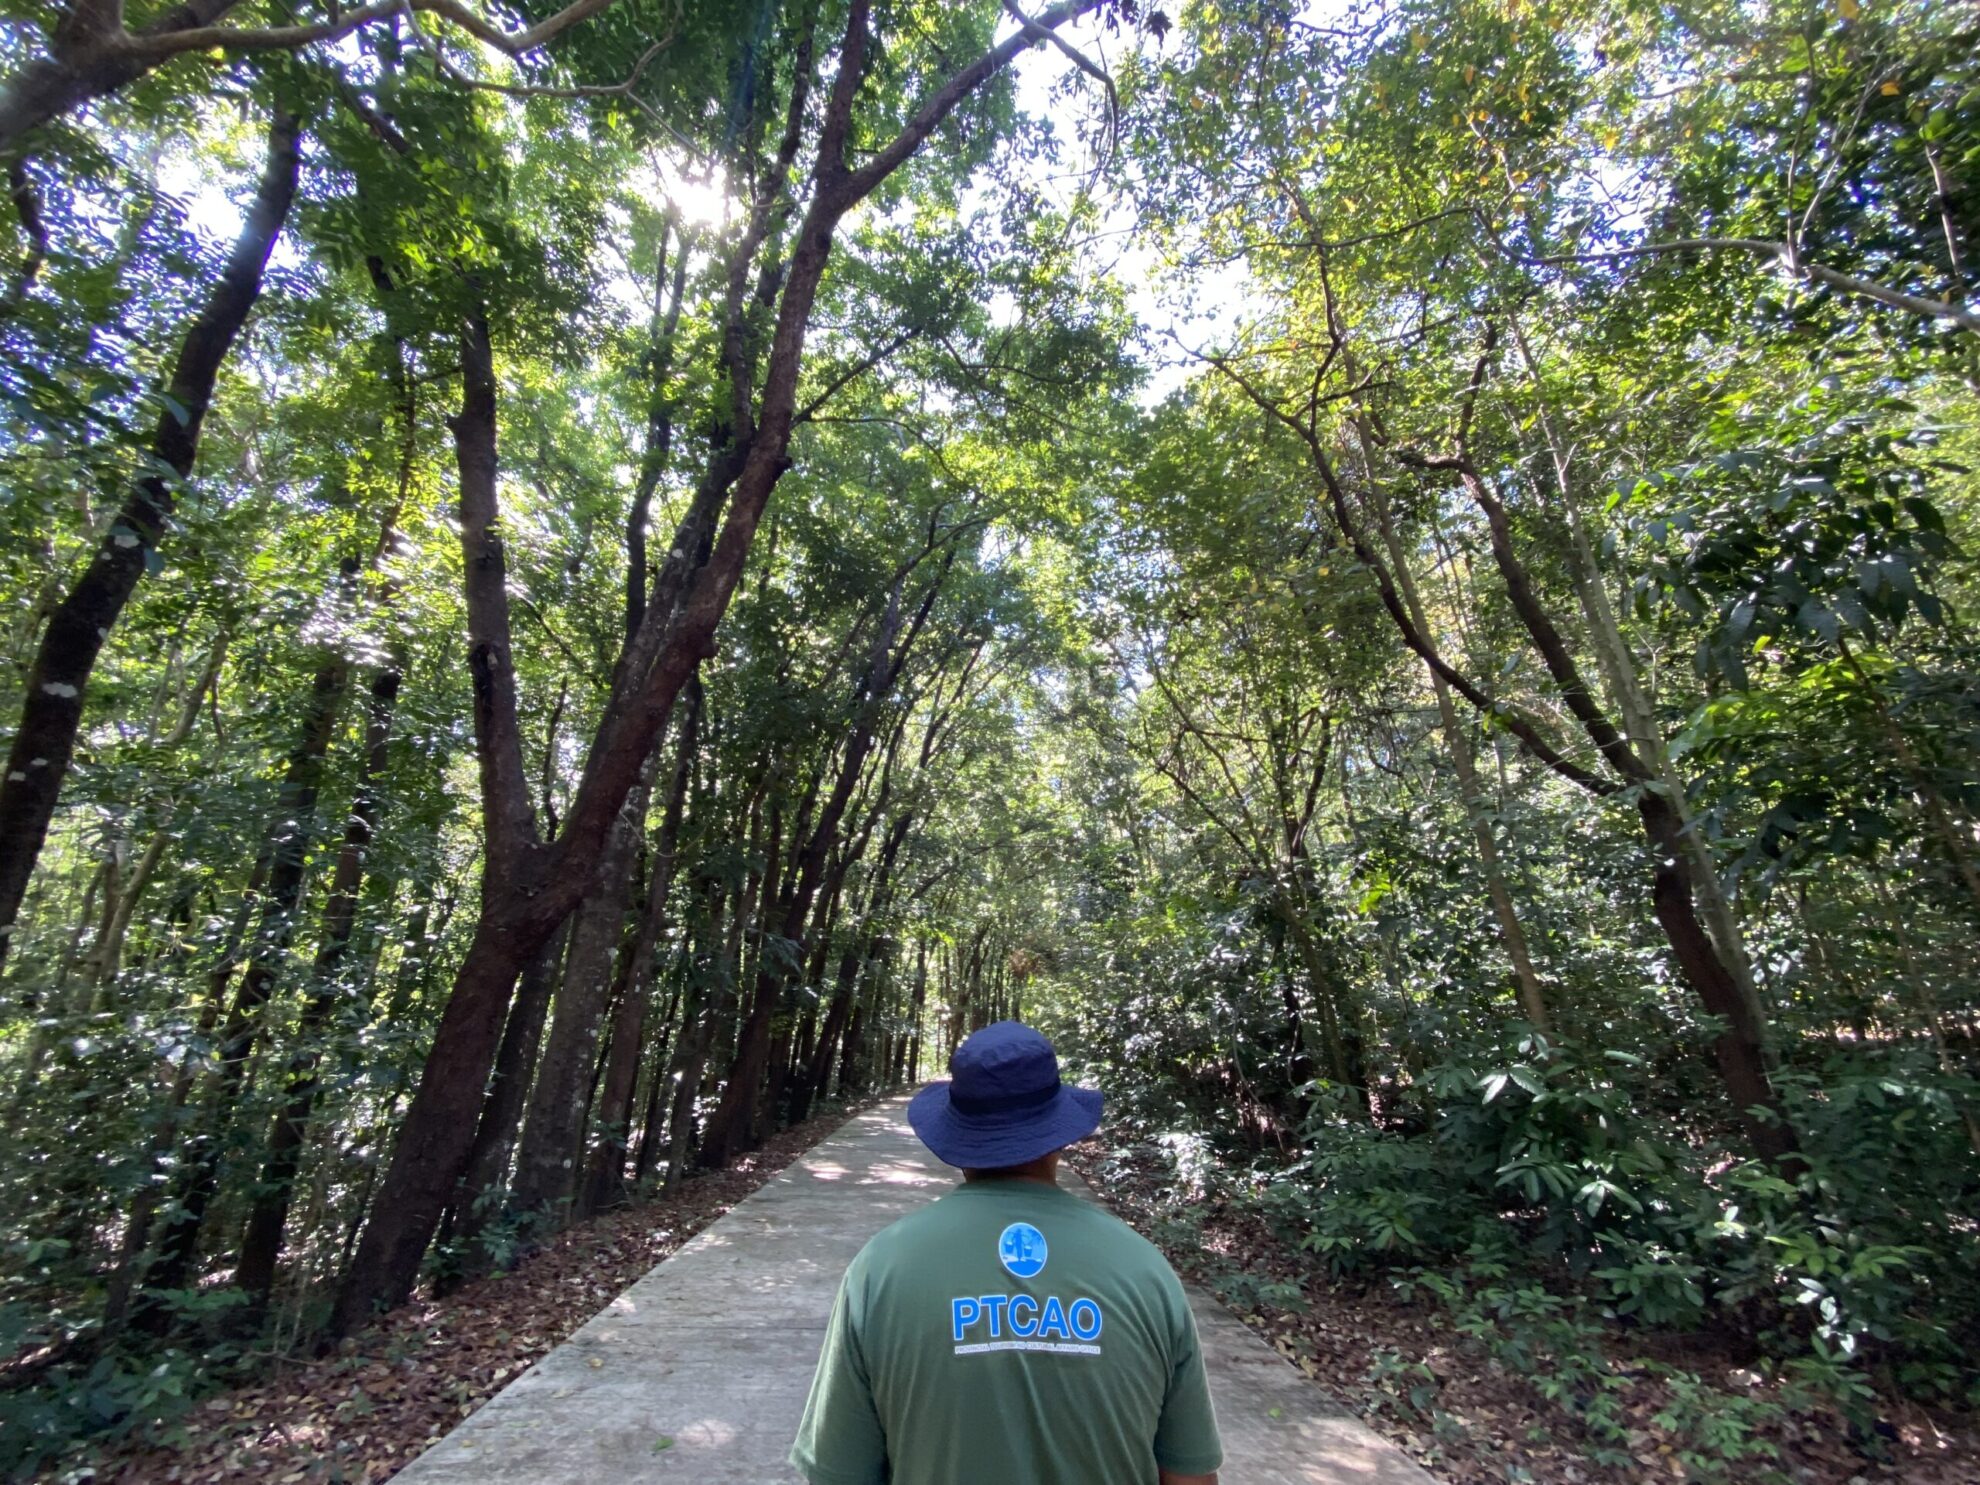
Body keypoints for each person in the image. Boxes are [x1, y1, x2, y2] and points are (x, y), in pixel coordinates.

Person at [790, 1020, 1223, 1485]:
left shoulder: (881, 1269)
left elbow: (839, 1473)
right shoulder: (1145, 1270)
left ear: (958, 1136)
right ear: (1059, 1135)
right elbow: (1189, 1476)